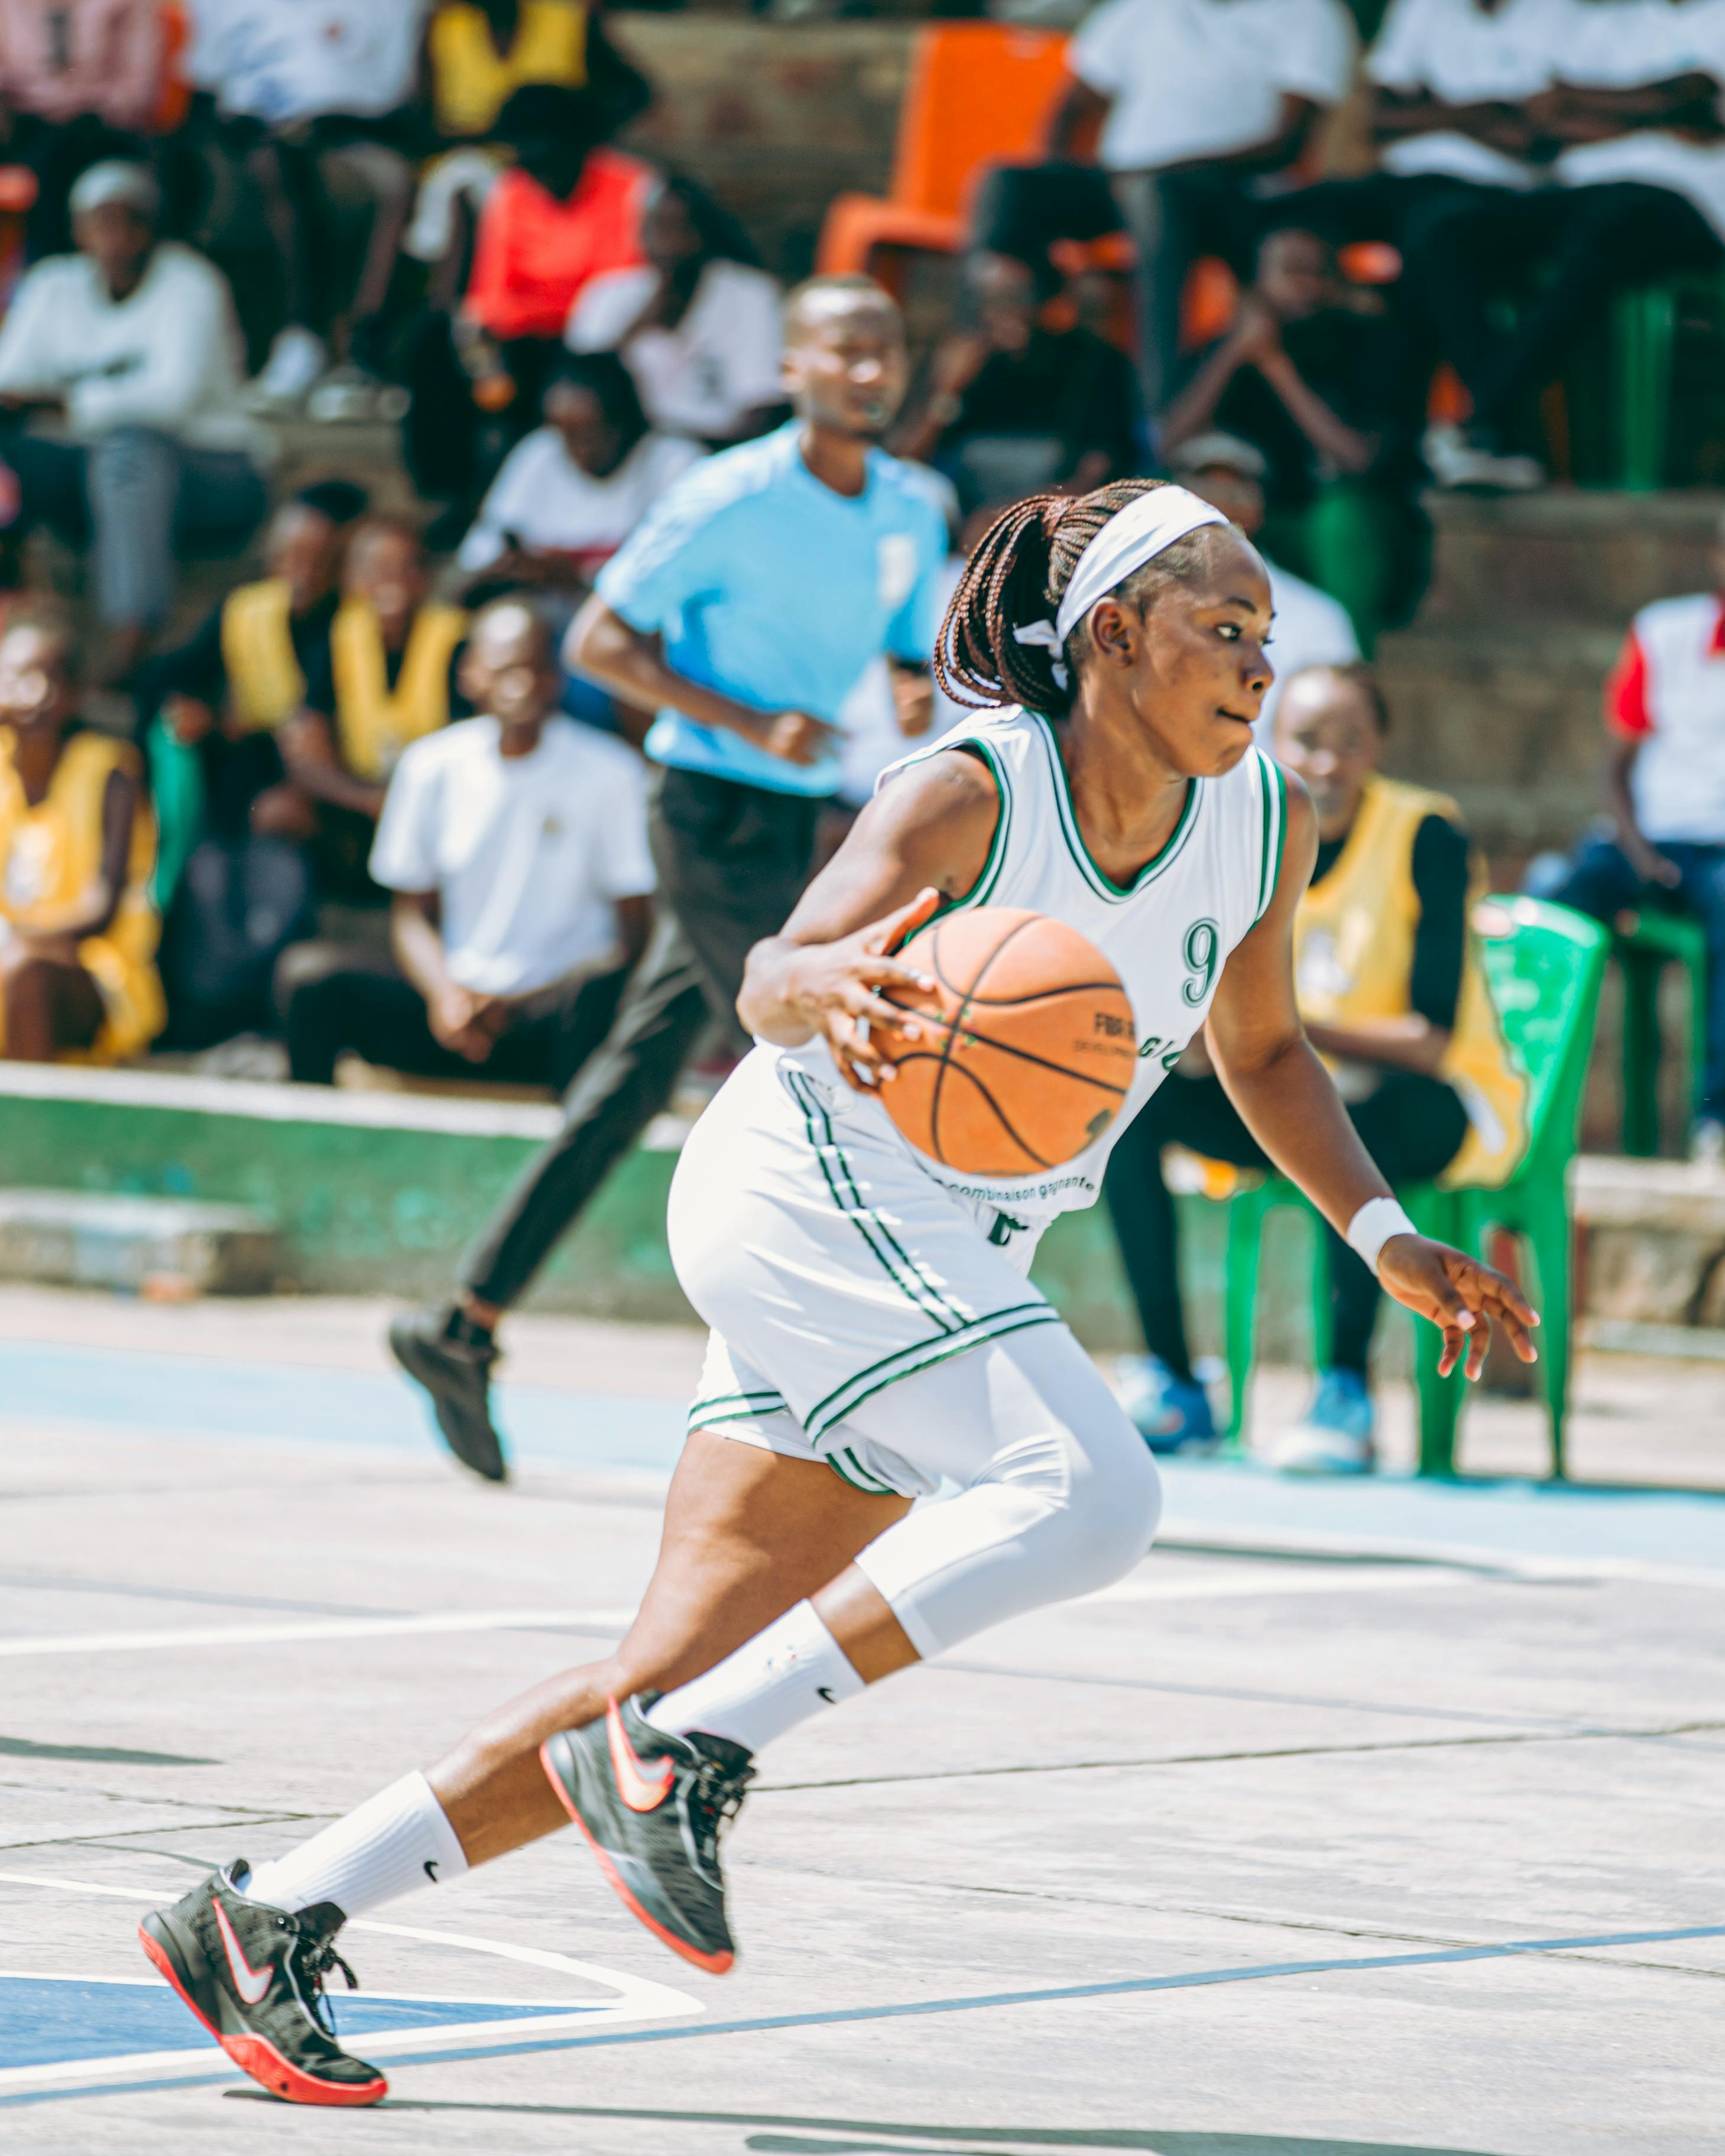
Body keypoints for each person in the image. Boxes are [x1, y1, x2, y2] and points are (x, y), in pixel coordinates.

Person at [137, 478, 1536, 2108]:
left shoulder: (1257, 822)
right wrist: (832, 982)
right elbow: (767, 976)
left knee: (662, 1670)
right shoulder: (970, 792)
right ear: (1109, 637)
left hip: (947, 1246)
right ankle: (681, 1765)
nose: (1251, 664)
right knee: (1089, 1494)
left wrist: (1383, 1235)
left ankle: (266, 1917)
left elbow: (1265, 1052)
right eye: (1219, 628)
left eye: (1262, 636)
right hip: (805, 1192)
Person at [387, 275, 947, 1485]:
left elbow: (907, 635)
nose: (867, 371)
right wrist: (747, 721)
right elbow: (597, 641)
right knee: (821, 1060)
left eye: (883, 350)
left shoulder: (913, 500)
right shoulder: (730, 494)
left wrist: (909, 692)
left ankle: (460, 1325)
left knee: (635, 1078)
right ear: (790, 367)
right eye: (840, 350)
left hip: (801, 816)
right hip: (702, 805)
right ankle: (855, 1380)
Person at [1105, 660, 1528, 1467]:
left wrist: (1280, 1033)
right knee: (1136, 1100)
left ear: (1378, 748)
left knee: (1357, 1120)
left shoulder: (1424, 833)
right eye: (1305, 742)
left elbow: (1428, 1037)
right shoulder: (1239, 825)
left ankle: (1344, 1394)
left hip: (1435, 1100)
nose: (1326, 763)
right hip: (1294, 1089)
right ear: (1272, 743)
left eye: (1348, 742)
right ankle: (1171, 1377)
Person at [281, 598, 652, 1089]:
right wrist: (448, 996)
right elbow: (411, 915)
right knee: (308, 979)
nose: (520, 687)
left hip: (551, 1015)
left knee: (599, 996)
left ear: (556, 678)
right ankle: (317, 1137)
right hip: (453, 1011)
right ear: (471, 676)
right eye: (503, 671)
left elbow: (633, 936)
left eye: (534, 670)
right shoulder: (430, 766)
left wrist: (514, 1003)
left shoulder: (612, 773)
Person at [972, 0, 1356, 415]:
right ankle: (972, 369)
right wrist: (1062, 173)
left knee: (1155, 197)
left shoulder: (1310, 13)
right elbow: (1076, 104)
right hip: (1124, 182)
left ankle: (1160, 411)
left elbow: (1288, 143)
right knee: (1009, 183)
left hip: (1235, 194)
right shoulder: (1142, 8)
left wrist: (1163, 171)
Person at [1406, 0, 1725, 490]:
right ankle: (1500, 438)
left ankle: (1484, 421)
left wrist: (1589, 101)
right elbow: (1544, 122)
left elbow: (1701, 102)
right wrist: (1659, 111)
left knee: (1611, 221)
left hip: (1691, 206)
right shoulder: (1593, 25)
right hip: (1581, 192)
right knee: (1444, 232)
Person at [0, 160, 267, 680]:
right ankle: (19, 603)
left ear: (150, 229)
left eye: (129, 222)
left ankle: (131, 641)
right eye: (101, 223)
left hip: (218, 473)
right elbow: (9, 381)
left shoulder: (191, 283)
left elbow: (169, 403)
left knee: (129, 450)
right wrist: (84, 405)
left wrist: (65, 405)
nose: (115, 238)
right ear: (79, 230)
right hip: (88, 468)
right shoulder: (55, 284)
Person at [144, 482, 368, 1047]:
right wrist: (204, 715)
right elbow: (171, 675)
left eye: (318, 558)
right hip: (243, 790)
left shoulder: (351, 624)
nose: (301, 571)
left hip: (328, 796)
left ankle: (272, 1012)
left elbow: (323, 725)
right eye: (290, 555)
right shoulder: (244, 612)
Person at [1528, 532, 1725, 1160]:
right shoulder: (1663, 633)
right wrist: (1641, 856)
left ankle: (1712, 1119)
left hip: (1718, 860)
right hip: (1644, 840)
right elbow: (1612, 770)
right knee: (1547, 902)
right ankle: (1518, 1096)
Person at [1159, 223, 1421, 654]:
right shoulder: (1220, 350)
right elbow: (1169, 445)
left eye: (1319, 271)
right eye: (1292, 271)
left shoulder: (1369, 342)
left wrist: (1275, 364)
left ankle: (1345, 675)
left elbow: (1357, 459)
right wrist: (1234, 354)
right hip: (1259, 520)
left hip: (1348, 524)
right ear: (1254, 286)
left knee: (1341, 521)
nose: (1309, 284)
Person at [406, 82, 654, 506]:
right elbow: (492, 297)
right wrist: (490, 363)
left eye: (548, 155)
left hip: (602, 343)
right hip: (528, 339)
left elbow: (622, 289)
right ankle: (451, 495)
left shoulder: (630, 187)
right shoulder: (513, 190)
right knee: (431, 346)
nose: (540, 171)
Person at [187, 0, 424, 414]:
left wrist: (318, 128)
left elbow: (397, 100)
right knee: (272, 165)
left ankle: (352, 352)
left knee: (387, 182)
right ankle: (292, 340)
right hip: (245, 148)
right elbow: (203, 91)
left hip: (345, 139)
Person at [0, 600, 163, 1063]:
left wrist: (17, 936)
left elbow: (100, 908)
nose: (31, 696)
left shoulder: (111, 773)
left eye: (47, 681)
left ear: (73, 695)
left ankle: (24, 1132)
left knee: (23, 971)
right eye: (14, 680)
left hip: (91, 969)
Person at [277, 517, 469, 901]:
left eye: (405, 567)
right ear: (351, 579)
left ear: (424, 578)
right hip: (360, 800)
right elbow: (303, 749)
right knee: (281, 810)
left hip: (440, 803)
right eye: (376, 569)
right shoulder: (335, 639)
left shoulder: (457, 641)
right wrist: (368, 800)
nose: (391, 581)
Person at [890, 250, 1142, 516]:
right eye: (990, 302)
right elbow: (901, 467)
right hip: (960, 526)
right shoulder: (965, 362)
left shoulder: (1093, 365)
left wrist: (1007, 517)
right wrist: (948, 390)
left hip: (1054, 521)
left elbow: (1096, 476)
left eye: (1017, 299)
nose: (1005, 314)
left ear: (1047, 301)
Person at [453, 352, 702, 603]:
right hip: (540, 612)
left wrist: (576, 578)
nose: (576, 451)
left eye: (589, 435)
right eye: (567, 435)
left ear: (624, 422)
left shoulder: (676, 461)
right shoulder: (541, 452)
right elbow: (476, 557)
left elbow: (684, 574)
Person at [566, 174, 787, 446]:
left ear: (704, 234)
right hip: (630, 457)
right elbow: (577, 395)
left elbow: (761, 412)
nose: (666, 244)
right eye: (657, 227)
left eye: (679, 228)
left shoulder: (752, 295)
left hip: (716, 452)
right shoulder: (608, 295)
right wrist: (636, 329)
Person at [1165, 431, 1358, 739]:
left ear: (1260, 506)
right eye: (1204, 492)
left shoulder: (1320, 617)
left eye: (1237, 492)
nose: (1219, 508)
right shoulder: (1142, 606)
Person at [0, 0, 166, 259]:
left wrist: (80, 110)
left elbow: (139, 89)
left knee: (64, 155)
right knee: (51, 155)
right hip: (28, 127)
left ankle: (47, 268)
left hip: (104, 126)